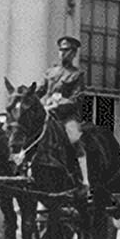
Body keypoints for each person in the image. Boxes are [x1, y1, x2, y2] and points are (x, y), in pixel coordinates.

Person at [39, 36, 89, 188]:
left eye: (67, 50)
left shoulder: (76, 74)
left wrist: (57, 106)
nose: (62, 53)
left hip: (66, 116)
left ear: (74, 54)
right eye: (61, 50)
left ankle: (84, 179)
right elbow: (40, 91)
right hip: (46, 114)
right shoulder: (50, 72)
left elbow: (76, 98)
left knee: (75, 139)